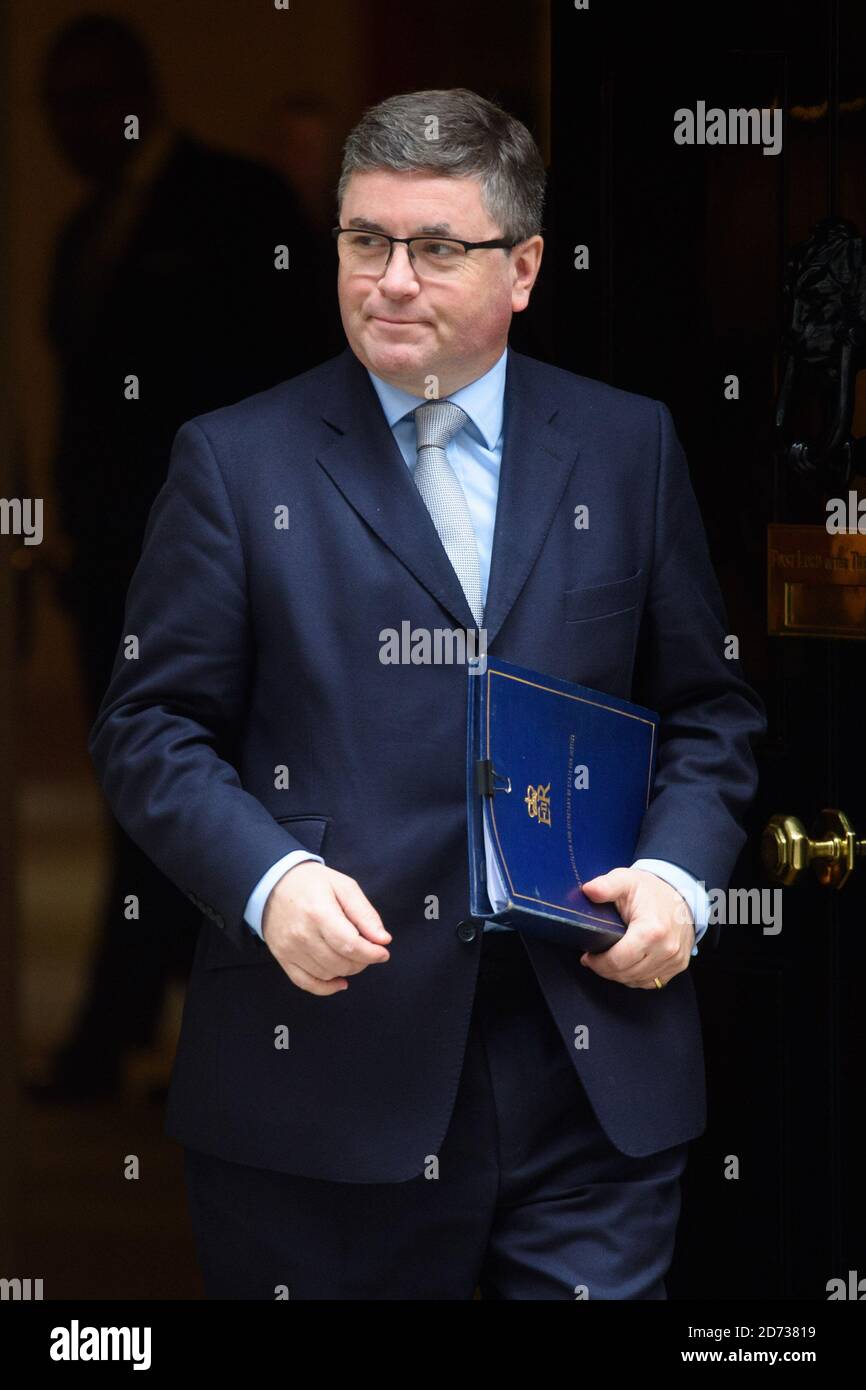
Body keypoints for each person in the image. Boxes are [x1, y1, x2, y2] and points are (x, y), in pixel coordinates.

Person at [88, 88, 766, 1299]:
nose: (391, 279)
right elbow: (149, 726)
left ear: (523, 267)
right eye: (365, 241)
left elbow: (708, 710)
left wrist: (676, 880)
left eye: (436, 247)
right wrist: (267, 879)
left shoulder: (628, 446)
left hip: (586, 1069)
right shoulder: (235, 463)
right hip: (325, 1071)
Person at [35, 14, 335, 1100]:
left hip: (216, 563)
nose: (70, 127)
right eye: (53, 106)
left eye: (86, 101)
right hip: (115, 565)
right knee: (148, 789)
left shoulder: (233, 206)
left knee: (201, 794)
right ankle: (153, 1031)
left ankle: (139, 1034)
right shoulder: (85, 234)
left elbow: (295, 373)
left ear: (138, 95)